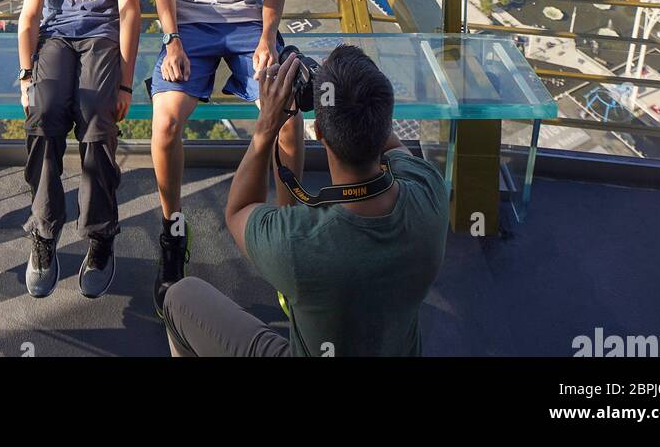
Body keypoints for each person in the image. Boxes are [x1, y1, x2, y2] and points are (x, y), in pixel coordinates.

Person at [162, 45, 449, 357]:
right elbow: (388, 143)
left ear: (321, 133)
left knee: (180, 297)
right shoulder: (428, 193)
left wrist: (267, 124)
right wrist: (358, 97)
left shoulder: (297, 243)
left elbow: (239, 211)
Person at [148, 0, 302, 315]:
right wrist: (172, 40)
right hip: (190, 25)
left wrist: (264, 39)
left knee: (290, 124)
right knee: (166, 121)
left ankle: (287, 233)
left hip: (245, 25)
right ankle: (173, 227)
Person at [18, 0, 142, 298]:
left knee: (96, 120)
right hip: (57, 38)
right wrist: (26, 74)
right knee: (45, 112)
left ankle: (100, 234)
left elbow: (129, 13)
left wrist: (125, 84)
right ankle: (45, 230)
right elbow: (31, 17)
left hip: (102, 38)